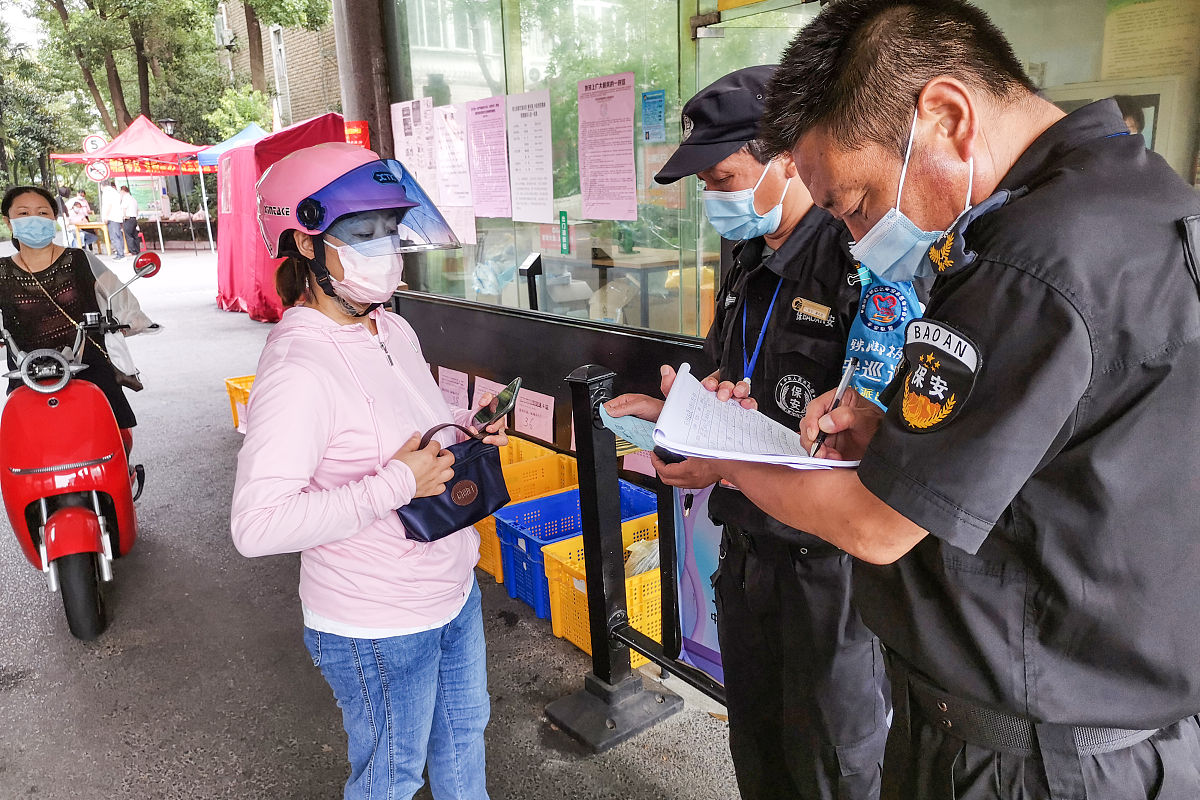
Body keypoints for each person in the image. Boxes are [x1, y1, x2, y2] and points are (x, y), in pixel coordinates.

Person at [646, 1, 1200, 798]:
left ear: (945, 115)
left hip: (1035, 759)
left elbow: (875, 528)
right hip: (1107, 736)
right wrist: (885, 428)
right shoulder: (1140, 204)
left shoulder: (1032, 263)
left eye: (861, 203)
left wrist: (725, 458)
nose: (866, 236)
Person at [607, 66, 889, 800]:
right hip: (746, 556)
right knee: (757, 748)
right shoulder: (746, 252)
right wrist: (683, 416)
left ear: (788, 159)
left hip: (828, 574)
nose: (715, 199)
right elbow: (726, 372)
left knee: (831, 766)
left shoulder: (859, 258)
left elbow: (869, 438)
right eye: (705, 185)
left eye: (724, 177)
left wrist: (725, 462)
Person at [230, 142, 498, 800]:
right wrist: (397, 484)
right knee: (390, 779)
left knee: (465, 741)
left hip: (452, 591)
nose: (386, 248)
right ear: (304, 242)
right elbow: (256, 526)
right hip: (376, 626)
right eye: (361, 231)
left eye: (390, 228)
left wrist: (462, 427)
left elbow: (402, 427)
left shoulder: (388, 329)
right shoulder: (300, 368)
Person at [0, 185, 157, 457]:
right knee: (27, 453)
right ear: (8, 222)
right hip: (29, 376)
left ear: (53, 218)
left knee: (115, 445)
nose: (34, 219)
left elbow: (121, 302)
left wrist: (125, 324)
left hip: (90, 371)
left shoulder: (81, 259)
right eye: (23, 213)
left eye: (42, 212)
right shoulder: (1, 271)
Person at [100, 180, 124, 259]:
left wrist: (106, 216)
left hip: (112, 217)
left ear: (102, 186)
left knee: (114, 237)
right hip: (117, 217)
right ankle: (121, 253)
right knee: (118, 236)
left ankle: (120, 255)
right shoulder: (114, 191)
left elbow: (108, 205)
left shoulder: (107, 192)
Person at [119, 185, 141, 256]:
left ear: (122, 191)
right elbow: (137, 210)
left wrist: (124, 216)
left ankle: (132, 251)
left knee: (128, 235)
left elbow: (124, 208)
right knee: (135, 235)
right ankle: (137, 250)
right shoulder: (133, 199)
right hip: (134, 218)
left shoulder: (125, 198)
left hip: (128, 218)